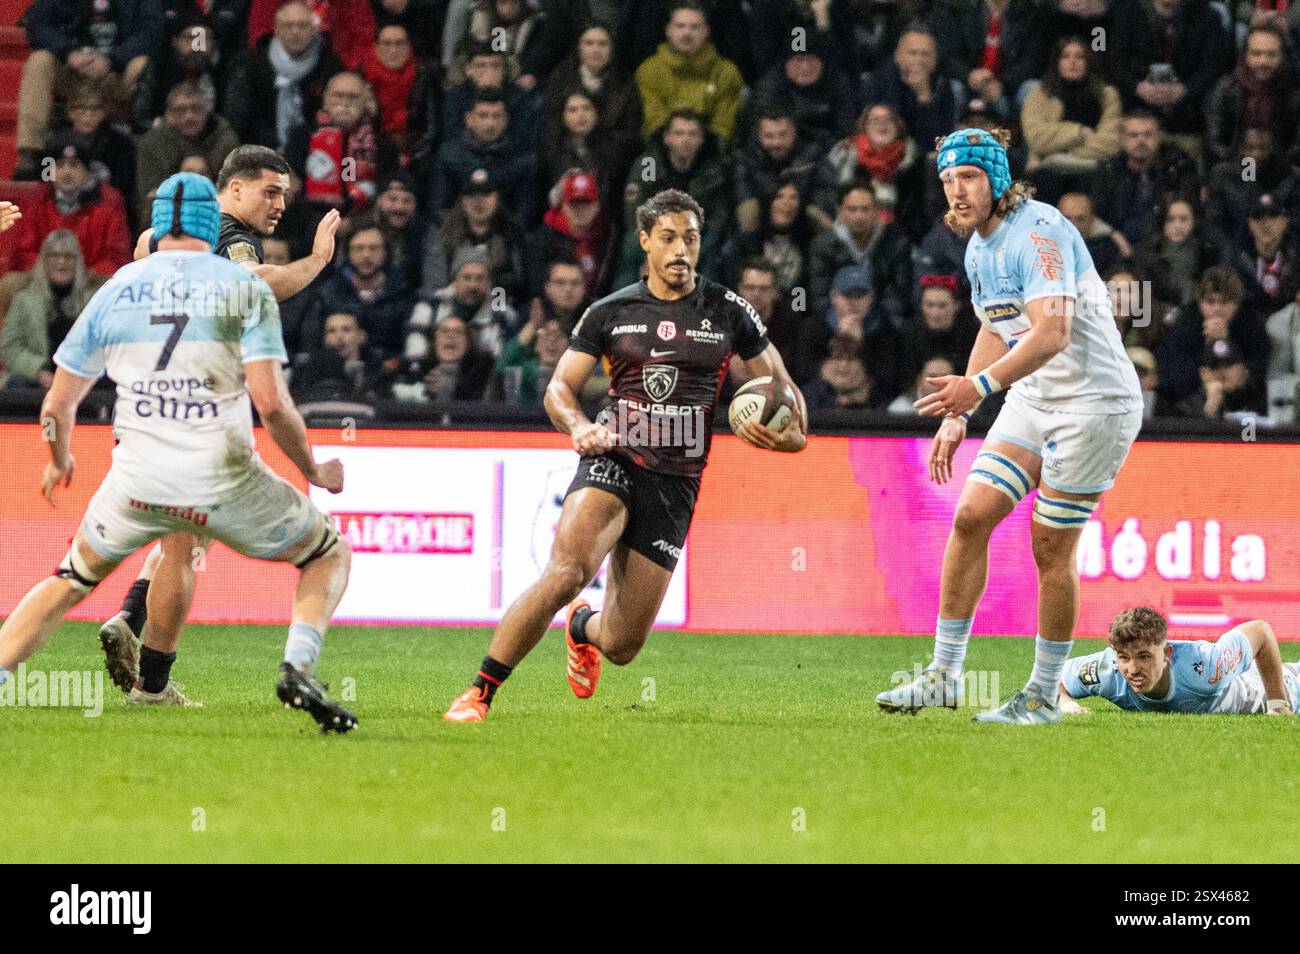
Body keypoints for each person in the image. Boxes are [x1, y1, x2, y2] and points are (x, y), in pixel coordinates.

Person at [0, 173, 356, 731]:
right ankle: (297, 668)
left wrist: (58, 457)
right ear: (213, 222)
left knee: (68, 580)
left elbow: (56, 405)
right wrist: (312, 467)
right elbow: (273, 402)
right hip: (223, 475)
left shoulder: (117, 286)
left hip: (137, 479)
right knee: (327, 554)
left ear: (156, 223)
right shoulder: (244, 286)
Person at [443, 188, 807, 722]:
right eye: (668, 238)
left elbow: (787, 395)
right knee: (566, 571)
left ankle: (581, 627)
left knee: (620, 645)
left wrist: (791, 436)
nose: (681, 249)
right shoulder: (610, 311)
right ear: (645, 242)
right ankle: (479, 693)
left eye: (691, 238)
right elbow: (559, 389)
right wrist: (580, 426)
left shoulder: (730, 312)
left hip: (676, 481)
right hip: (613, 456)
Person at [875, 128, 1142, 725]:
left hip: (1095, 405)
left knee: (1051, 546)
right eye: (946, 179)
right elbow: (996, 327)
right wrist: (960, 414)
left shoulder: (1039, 230)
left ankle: (1045, 696)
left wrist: (979, 388)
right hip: (1036, 395)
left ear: (997, 180)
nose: (955, 190)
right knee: (970, 517)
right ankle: (945, 676)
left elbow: (1052, 332)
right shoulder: (977, 246)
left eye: (968, 176)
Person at [99, 146, 341, 695]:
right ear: (232, 190)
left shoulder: (153, 240)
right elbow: (254, 282)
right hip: (195, 409)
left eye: (284, 194)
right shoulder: (231, 236)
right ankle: (153, 685)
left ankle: (129, 618)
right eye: (270, 191)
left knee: (177, 537)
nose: (279, 204)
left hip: (141, 404)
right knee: (186, 546)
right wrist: (317, 261)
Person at [1058, 606, 1297, 716]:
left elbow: (1261, 631)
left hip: (1291, 687)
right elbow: (1055, 677)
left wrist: (1278, 705)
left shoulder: (1206, 665)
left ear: (1167, 654)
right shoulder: (1106, 672)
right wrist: (1066, 704)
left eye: (1144, 657)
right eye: (1124, 658)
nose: (1133, 669)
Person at [1, 231, 104, 389]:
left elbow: (103, 344)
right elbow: (10, 347)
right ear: (44, 260)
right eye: (54, 256)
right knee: (18, 383)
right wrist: (39, 372)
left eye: (68, 256)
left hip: (81, 377)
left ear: (78, 261)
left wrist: (80, 373)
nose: (61, 262)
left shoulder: (94, 300)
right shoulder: (23, 300)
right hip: (34, 379)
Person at [634, 1, 744, 142]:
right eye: (680, 26)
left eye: (695, 27)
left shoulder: (726, 72)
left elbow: (723, 125)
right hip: (662, 149)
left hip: (712, 151)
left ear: (706, 31)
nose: (687, 33)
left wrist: (698, 146)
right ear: (668, 30)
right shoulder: (649, 70)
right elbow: (654, 121)